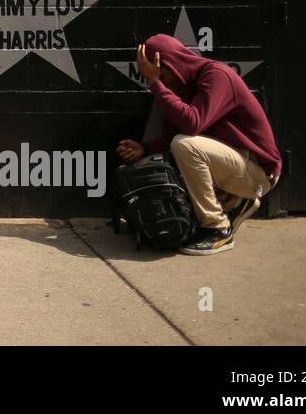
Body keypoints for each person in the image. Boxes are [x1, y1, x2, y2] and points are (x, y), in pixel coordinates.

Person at [116, 33, 282, 256]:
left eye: (161, 74)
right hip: (234, 165)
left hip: (258, 172)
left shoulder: (216, 75)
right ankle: (234, 201)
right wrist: (145, 149)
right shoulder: (184, 87)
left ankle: (218, 228)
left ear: (172, 64)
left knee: (185, 145)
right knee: (176, 149)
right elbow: (173, 134)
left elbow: (192, 124)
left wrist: (156, 84)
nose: (161, 81)